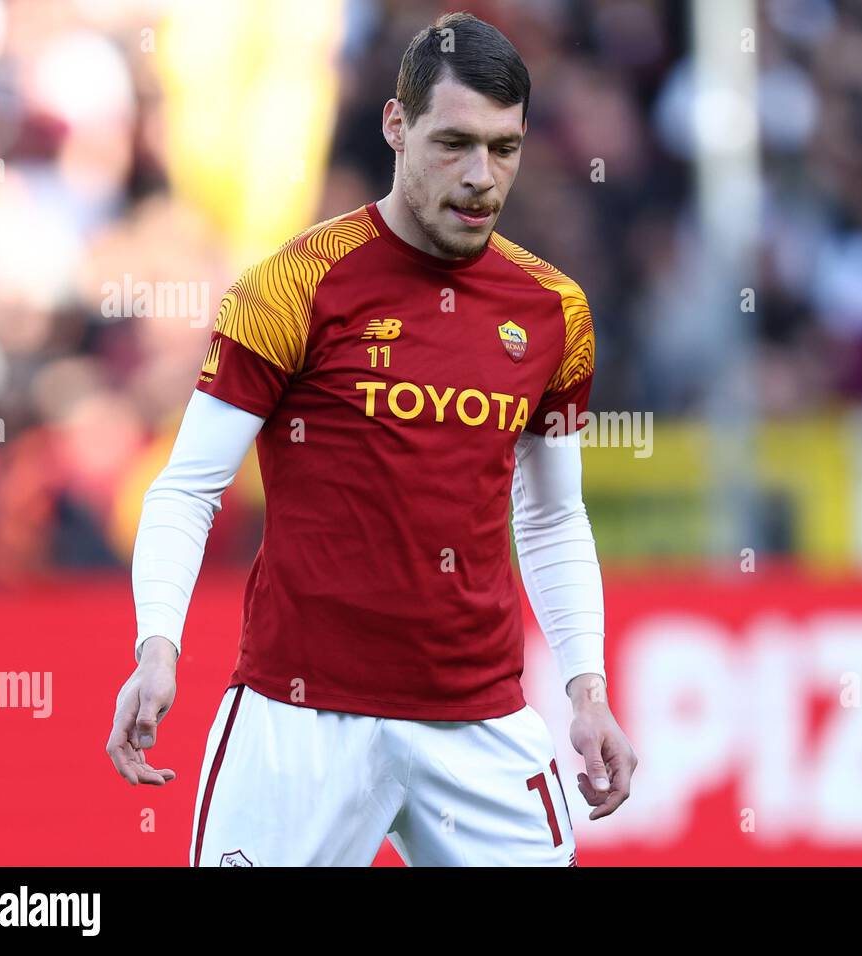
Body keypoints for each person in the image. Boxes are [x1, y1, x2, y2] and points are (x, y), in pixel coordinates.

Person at [105, 11, 635, 867]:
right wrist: (157, 645)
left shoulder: (553, 312)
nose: (480, 178)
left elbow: (551, 519)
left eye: (504, 149)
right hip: (298, 719)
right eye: (453, 143)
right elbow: (188, 487)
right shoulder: (292, 285)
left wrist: (587, 689)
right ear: (396, 125)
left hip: (480, 721)